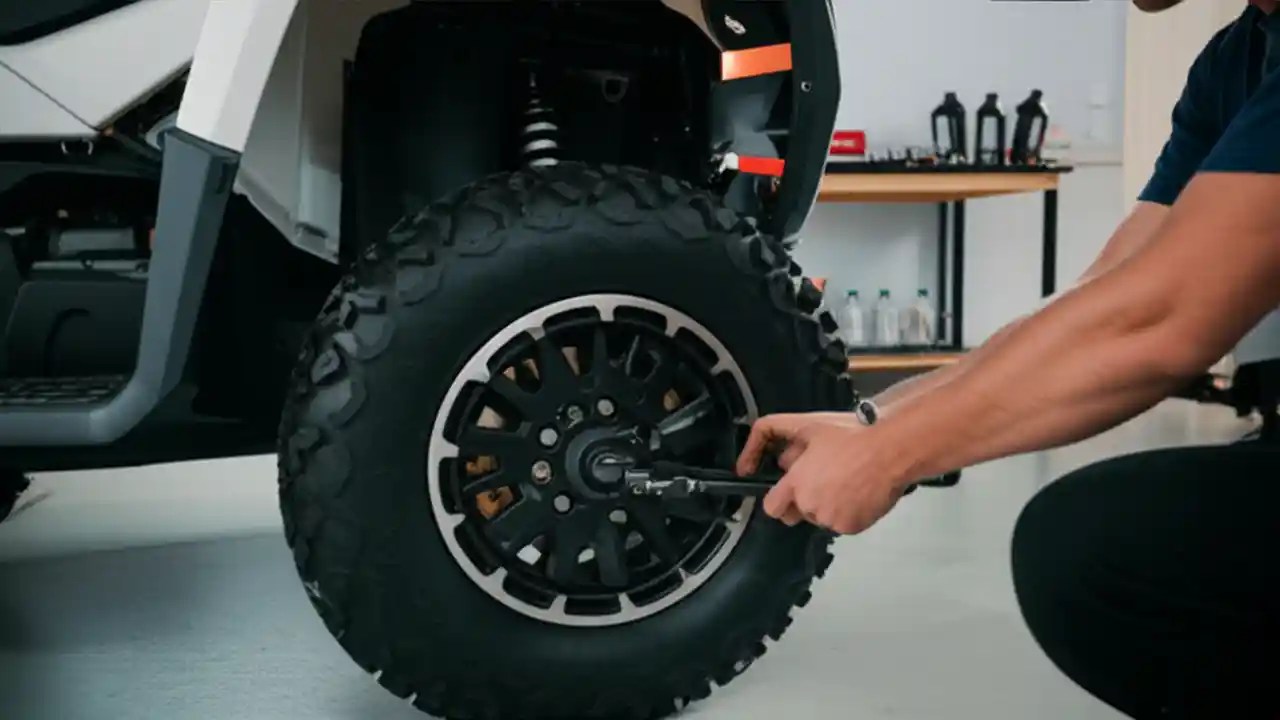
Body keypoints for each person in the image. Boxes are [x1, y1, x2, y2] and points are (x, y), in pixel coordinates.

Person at [736, 1, 1280, 717]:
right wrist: (877, 418)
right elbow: (1109, 293)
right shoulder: (1234, 60)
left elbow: (1163, 320)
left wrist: (891, 454)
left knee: (1094, 550)